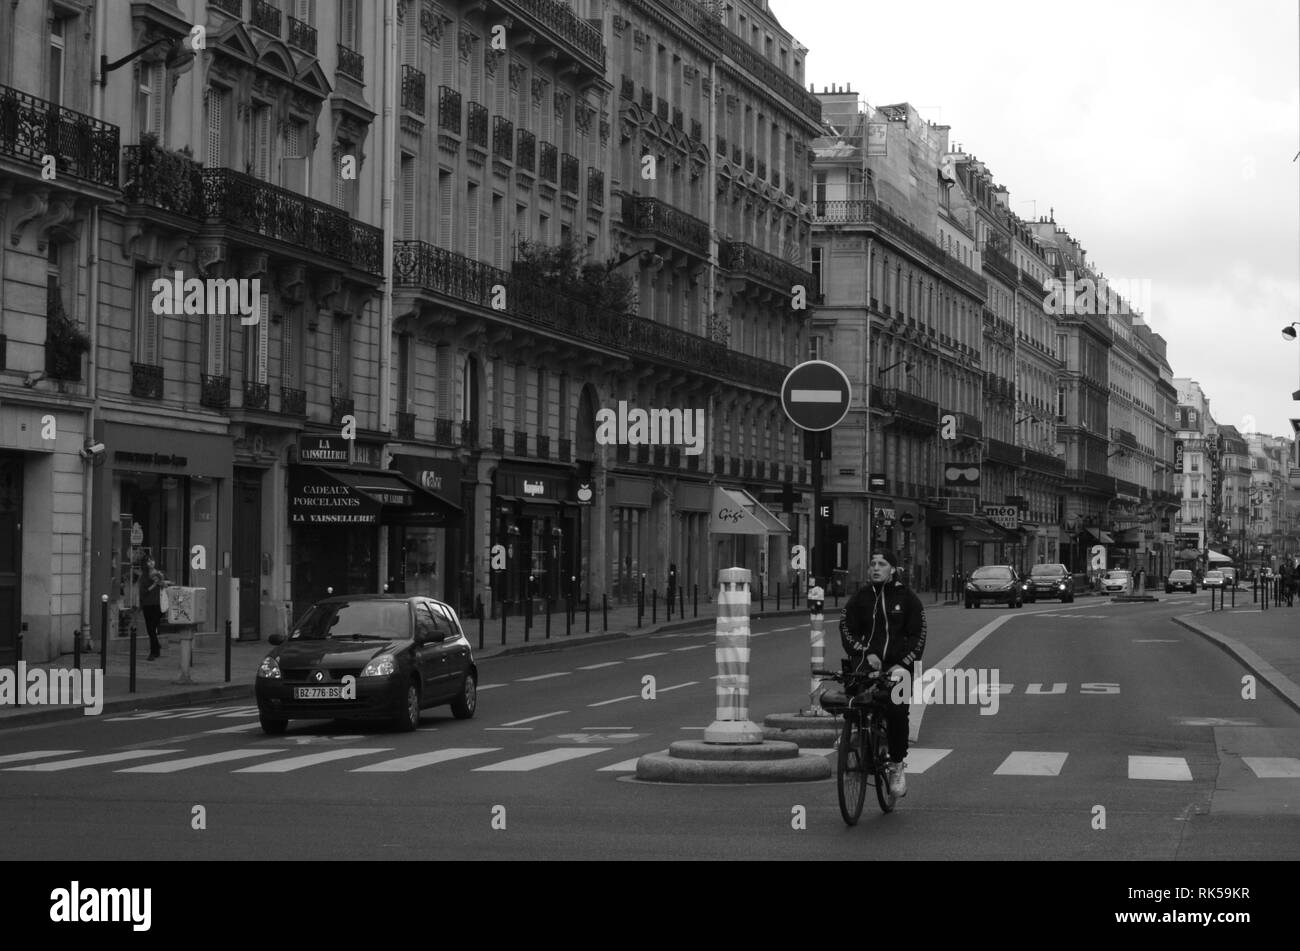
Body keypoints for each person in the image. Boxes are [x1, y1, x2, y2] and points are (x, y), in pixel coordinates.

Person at [838, 549, 927, 797]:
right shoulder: (861, 597)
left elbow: (918, 636)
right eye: (872, 564)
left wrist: (903, 663)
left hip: (899, 667)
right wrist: (865, 652)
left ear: (893, 569)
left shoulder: (908, 598)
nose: (875, 568)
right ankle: (857, 737)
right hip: (868, 664)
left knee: (897, 711)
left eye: (882, 564)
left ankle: (897, 764)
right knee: (854, 700)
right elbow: (846, 627)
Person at [138, 556, 169, 660]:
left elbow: (168, 584)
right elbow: (143, 592)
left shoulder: (160, 573)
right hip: (147, 604)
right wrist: (155, 584)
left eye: (152, 560)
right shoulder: (144, 576)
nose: (151, 563)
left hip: (158, 604)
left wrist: (162, 582)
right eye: (148, 561)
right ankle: (156, 648)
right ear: (145, 564)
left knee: (152, 628)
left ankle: (153, 652)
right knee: (150, 629)